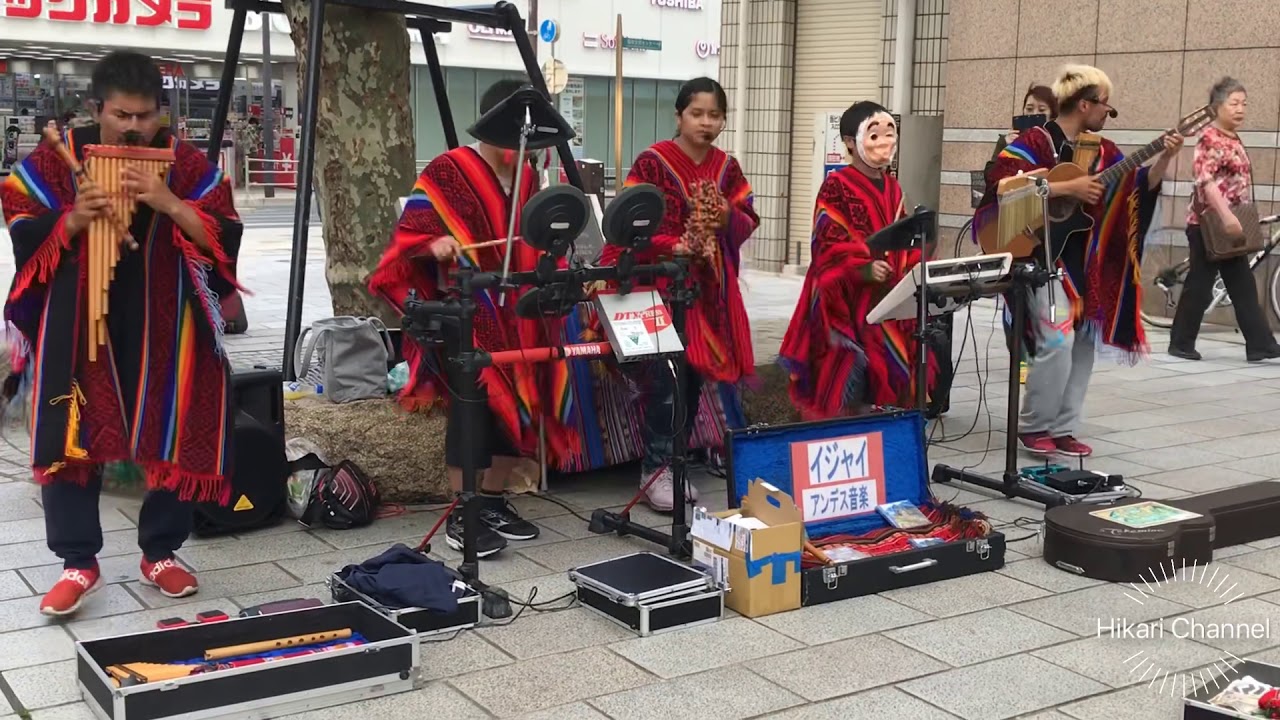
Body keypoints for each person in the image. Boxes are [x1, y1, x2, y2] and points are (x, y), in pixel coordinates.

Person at [1, 51, 242, 616]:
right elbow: (17, 209)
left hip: (169, 317)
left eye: (144, 117)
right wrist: (73, 219)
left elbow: (224, 236)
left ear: (161, 111)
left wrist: (168, 203)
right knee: (70, 432)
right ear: (97, 109)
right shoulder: (60, 157)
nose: (133, 128)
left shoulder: (183, 163)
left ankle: (160, 551)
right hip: (79, 320)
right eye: (120, 116)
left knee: (176, 423)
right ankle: (77, 562)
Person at [368, 78, 566, 557]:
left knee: (512, 408)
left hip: (515, 311)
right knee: (472, 410)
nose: (523, 145)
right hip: (465, 310)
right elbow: (411, 232)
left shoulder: (529, 178)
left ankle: (494, 499)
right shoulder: (448, 170)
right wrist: (431, 244)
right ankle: (465, 507)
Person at [979, 64, 1179, 458]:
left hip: (1084, 261)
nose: (1109, 112)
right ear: (1084, 104)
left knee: (1083, 343)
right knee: (1057, 340)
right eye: (1105, 104)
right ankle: (1035, 425)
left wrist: (1165, 159)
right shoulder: (1034, 142)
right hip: (1038, 257)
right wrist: (1067, 186)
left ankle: (1063, 426)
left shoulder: (1103, 151)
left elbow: (1136, 189)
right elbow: (999, 185)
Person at [596, 77, 759, 512]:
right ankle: (654, 469)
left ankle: (673, 463)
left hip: (705, 294)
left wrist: (725, 214)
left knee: (691, 382)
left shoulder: (727, 168)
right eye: (697, 113)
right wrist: (674, 245)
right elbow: (627, 225)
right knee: (666, 381)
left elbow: (747, 217)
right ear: (679, 115)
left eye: (715, 115)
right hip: (656, 287)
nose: (707, 122)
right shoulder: (652, 162)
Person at [779, 100, 936, 417]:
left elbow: (902, 234)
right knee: (847, 393)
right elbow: (825, 245)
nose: (885, 142)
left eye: (889, 133)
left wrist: (915, 260)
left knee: (889, 389)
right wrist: (862, 269)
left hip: (887, 300)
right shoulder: (836, 185)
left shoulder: (893, 186)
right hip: (845, 307)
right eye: (874, 134)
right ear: (850, 142)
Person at [1168, 77, 1280, 363]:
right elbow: (1205, 182)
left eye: (1244, 104)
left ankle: (1260, 345)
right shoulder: (1209, 137)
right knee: (1200, 284)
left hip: (1231, 224)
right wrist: (1228, 217)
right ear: (1217, 106)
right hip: (1209, 224)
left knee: (1241, 283)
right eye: (1234, 103)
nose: (1240, 109)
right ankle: (1181, 343)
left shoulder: (1232, 137)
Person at [985, 84, 1058, 181]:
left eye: (1042, 110)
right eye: (1029, 109)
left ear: (1052, 114)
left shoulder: (1055, 141)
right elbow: (989, 176)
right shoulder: (1006, 140)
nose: (1034, 114)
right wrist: (1007, 148)